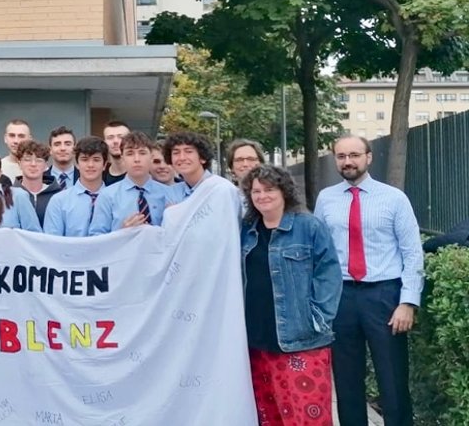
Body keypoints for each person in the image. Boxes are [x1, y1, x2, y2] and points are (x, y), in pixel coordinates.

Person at [314, 136, 423, 426]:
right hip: (342, 298)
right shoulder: (326, 199)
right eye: (341, 156)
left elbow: (412, 252)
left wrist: (408, 302)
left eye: (354, 155)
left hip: (384, 296)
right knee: (347, 380)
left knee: (393, 379)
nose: (347, 161)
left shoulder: (394, 198)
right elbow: (320, 252)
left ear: (369, 157)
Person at [241, 166, 342, 426]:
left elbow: (329, 272)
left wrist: (318, 317)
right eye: (256, 191)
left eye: (269, 189)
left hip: (301, 339)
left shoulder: (308, 226)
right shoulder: (246, 231)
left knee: (307, 415)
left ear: (284, 191)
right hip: (257, 341)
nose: (262, 196)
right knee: (268, 414)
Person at [89, 132, 171, 235]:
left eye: (142, 153)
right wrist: (121, 233)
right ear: (122, 157)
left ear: (151, 157)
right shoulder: (107, 195)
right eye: (130, 153)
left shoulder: (168, 194)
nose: (137, 159)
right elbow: (96, 237)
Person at [44, 136, 107, 238]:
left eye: (96, 159)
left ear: (104, 165)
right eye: (84, 159)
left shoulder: (116, 200)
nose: (90, 165)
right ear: (77, 164)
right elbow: (52, 244)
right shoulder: (58, 201)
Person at [13, 140, 61, 229]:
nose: (33, 164)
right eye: (27, 160)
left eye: (39, 160)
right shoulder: (8, 195)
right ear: (19, 163)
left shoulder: (58, 195)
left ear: (46, 165)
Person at [163, 131, 218, 203]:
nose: (182, 158)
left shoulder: (219, 188)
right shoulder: (172, 192)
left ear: (202, 158)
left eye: (188, 151)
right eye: (176, 153)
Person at [101, 120, 131, 186]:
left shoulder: (140, 175)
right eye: (110, 137)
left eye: (121, 137)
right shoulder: (99, 176)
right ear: (104, 142)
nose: (115, 141)